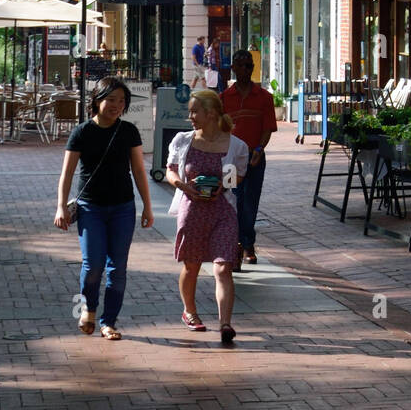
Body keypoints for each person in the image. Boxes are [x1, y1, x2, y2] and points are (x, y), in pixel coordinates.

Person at [54, 76, 153, 339]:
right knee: (93, 264)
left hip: (123, 207)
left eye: (122, 101)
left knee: (117, 268)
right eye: (111, 99)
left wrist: (147, 206)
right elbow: (67, 174)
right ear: (97, 100)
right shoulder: (82, 132)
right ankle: (88, 307)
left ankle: (109, 322)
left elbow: (140, 171)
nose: (116, 105)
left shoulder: (129, 131)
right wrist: (61, 207)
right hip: (91, 209)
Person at [165, 89, 248, 343]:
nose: (190, 116)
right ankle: (189, 312)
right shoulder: (183, 140)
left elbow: (237, 177)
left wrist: (221, 186)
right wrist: (184, 186)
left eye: (194, 111)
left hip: (222, 210)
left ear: (211, 114)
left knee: (223, 267)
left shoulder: (235, 145)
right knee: (192, 265)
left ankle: (225, 323)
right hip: (192, 210)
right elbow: (170, 171)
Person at [220, 50, 277, 266]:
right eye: (241, 65)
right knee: (232, 201)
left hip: (254, 158)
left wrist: (259, 149)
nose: (245, 70)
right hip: (231, 161)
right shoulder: (224, 98)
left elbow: (267, 128)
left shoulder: (264, 97)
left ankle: (246, 244)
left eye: (249, 66)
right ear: (233, 67)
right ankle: (236, 244)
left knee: (250, 203)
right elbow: (220, 129)